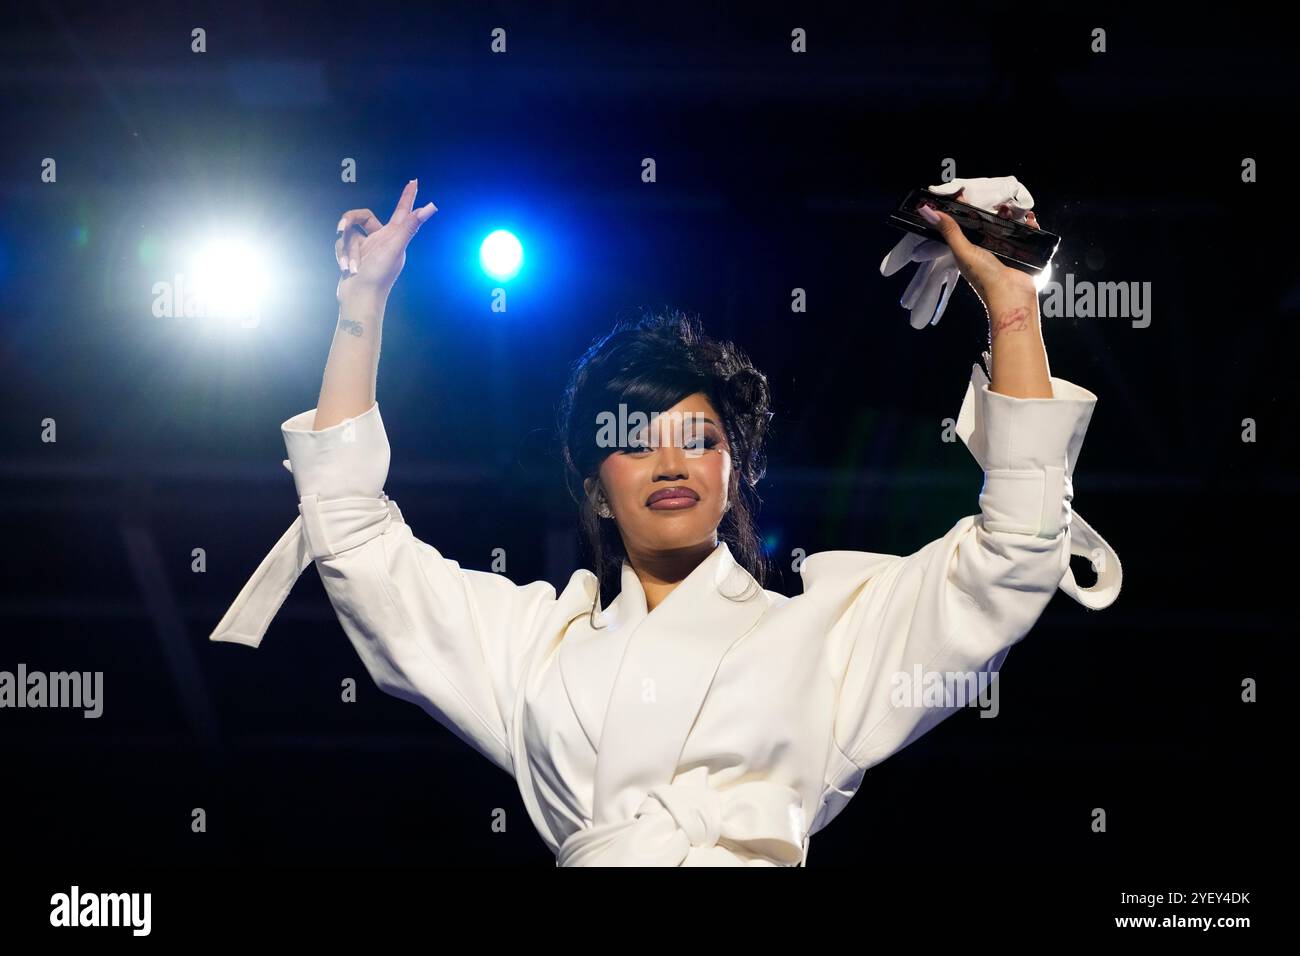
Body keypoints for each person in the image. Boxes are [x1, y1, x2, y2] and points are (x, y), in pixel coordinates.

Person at [210, 178, 1122, 866]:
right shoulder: (536, 651)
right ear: (599, 490)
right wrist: (360, 305)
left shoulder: (828, 633)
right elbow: (354, 537)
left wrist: (1010, 307)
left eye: (699, 438)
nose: (672, 462)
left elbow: (1014, 548)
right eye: (637, 443)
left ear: (734, 471)